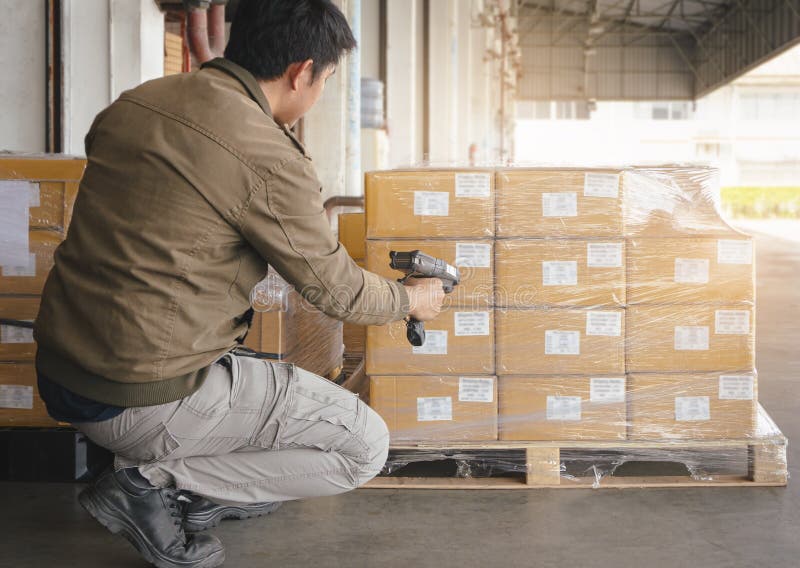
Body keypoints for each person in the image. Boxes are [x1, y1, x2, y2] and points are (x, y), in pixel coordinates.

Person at [33, 1, 444, 567]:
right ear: (302, 72)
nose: (320, 91)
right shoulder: (267, 155)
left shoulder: (137, 102)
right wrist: (410, 299)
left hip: (64, 370)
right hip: (141, 395)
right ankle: (150, 484)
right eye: (326, 80)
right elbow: (336, 292)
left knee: (263, 380)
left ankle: (196, 481)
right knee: (362, 446)